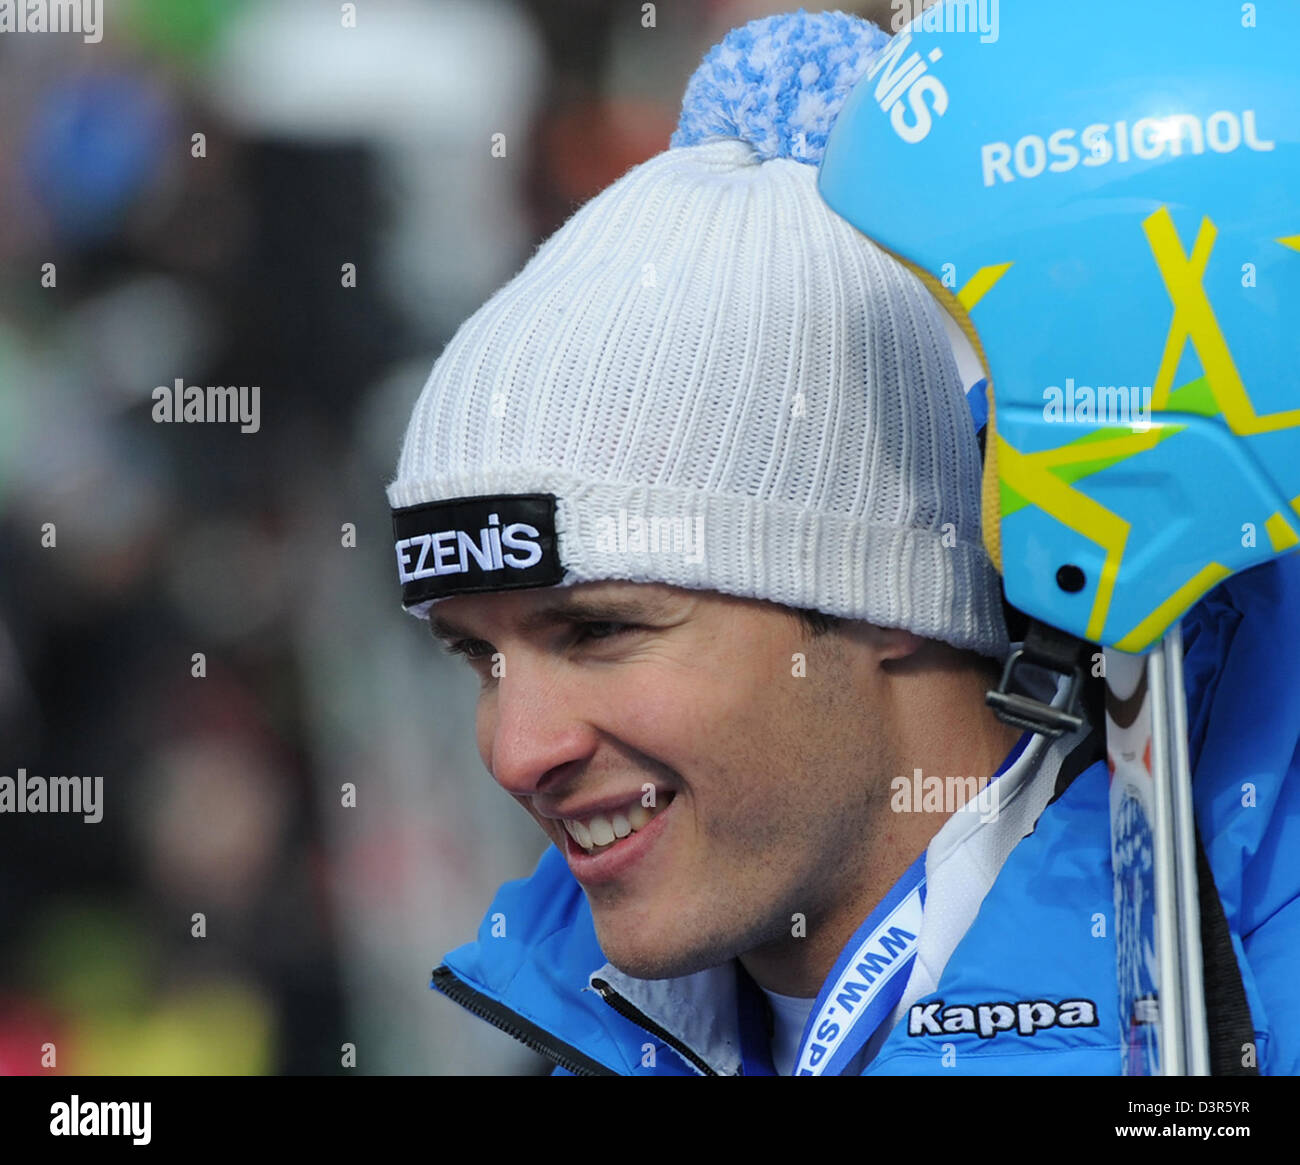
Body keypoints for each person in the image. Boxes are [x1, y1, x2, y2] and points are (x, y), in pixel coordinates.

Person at [386, 10, 1300, 1075]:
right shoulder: (577, 1021)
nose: (515, 749)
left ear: (887, 600)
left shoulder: (1240, 982)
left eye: (593, 630)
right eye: (477, 654)